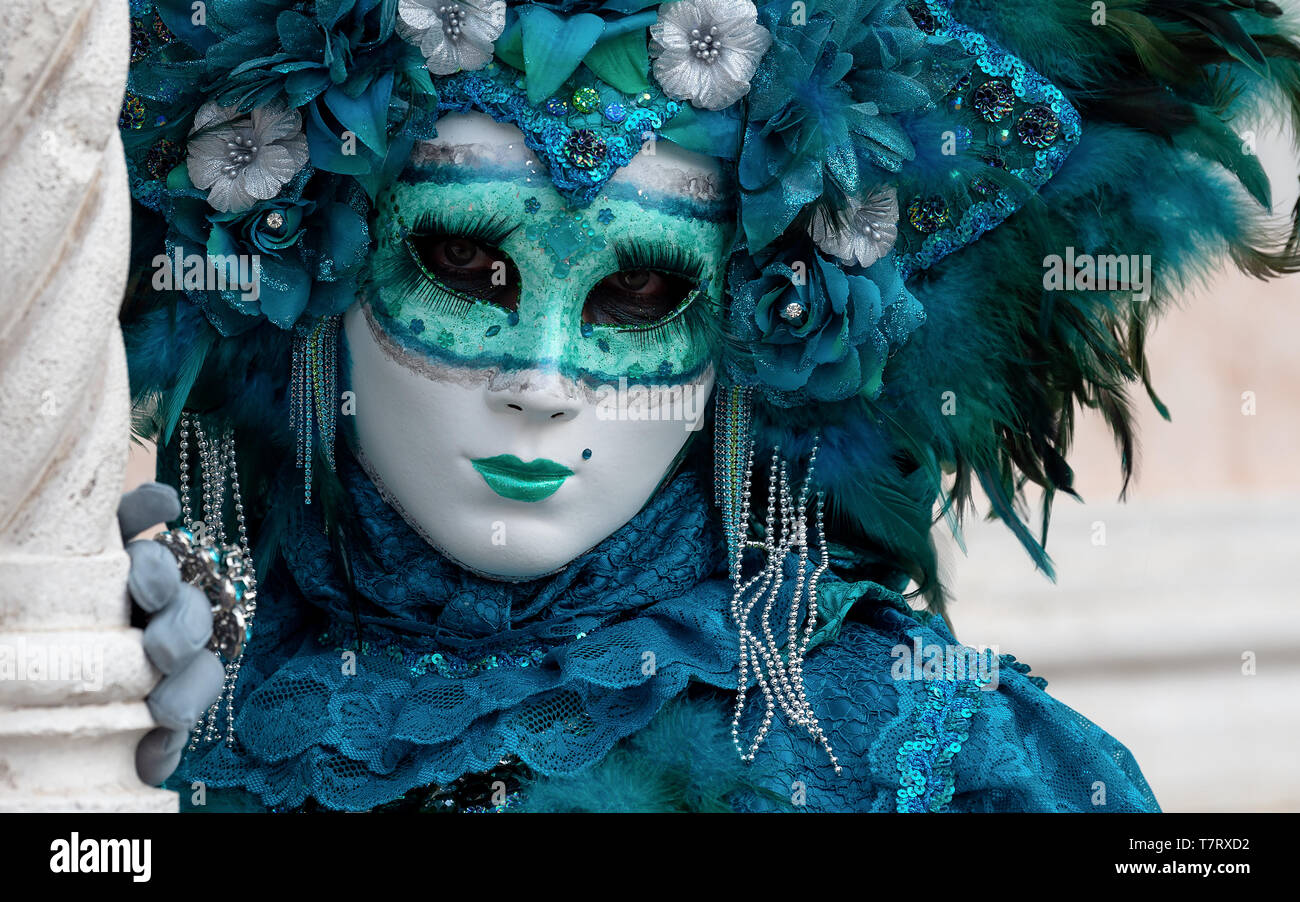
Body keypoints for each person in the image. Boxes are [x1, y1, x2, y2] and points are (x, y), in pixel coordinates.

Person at [116, 0, 1300, 811]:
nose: (545, 383)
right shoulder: (195, 698)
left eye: (640, 292)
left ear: (747, 328)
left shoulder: (921, 757)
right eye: (466, 266)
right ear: (317, 283)